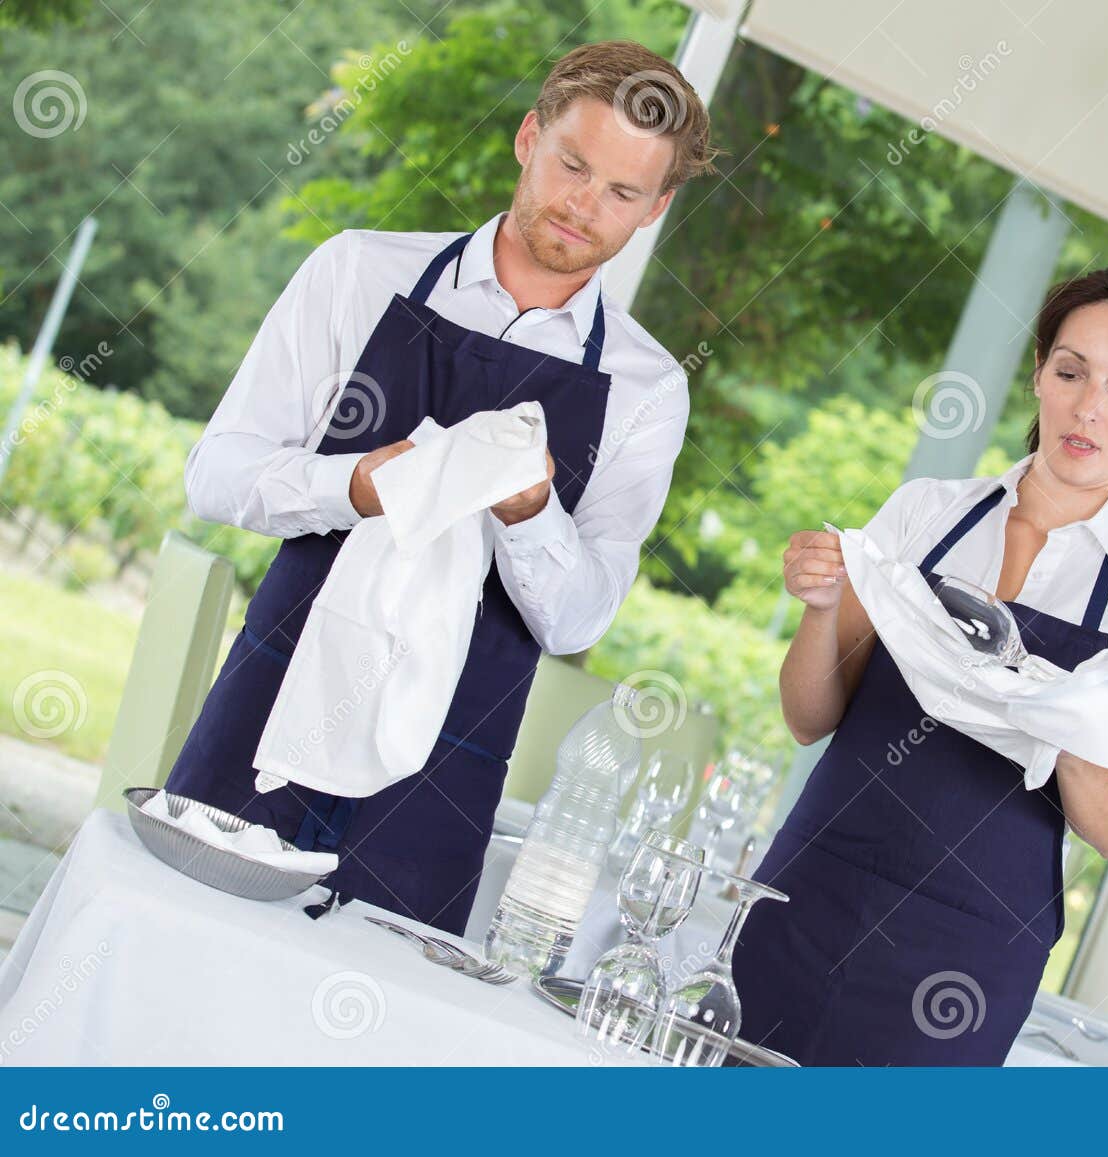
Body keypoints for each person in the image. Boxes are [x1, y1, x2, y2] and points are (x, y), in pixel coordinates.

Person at [164, 41, 716, 935]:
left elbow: (578, 621)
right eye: (574, 164)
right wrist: (357, 485)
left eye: (622, 192)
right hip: (279, 695)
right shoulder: (359, 271)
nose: (584, 205)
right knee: (180, 952)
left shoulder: (647, 388)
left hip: (447, 763)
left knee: (364, 1051)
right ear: (528, 137)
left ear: (656, 209)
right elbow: (217, 474)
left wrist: (533, 517)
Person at [731, 264, 1108, 1065]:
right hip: (809, 891)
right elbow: (808, 715)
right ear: (1039, 374)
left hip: (963, 957)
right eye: (1070, 372)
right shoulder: (926, 512)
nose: (1088, 407)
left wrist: (1047, 711)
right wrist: (823, 612)